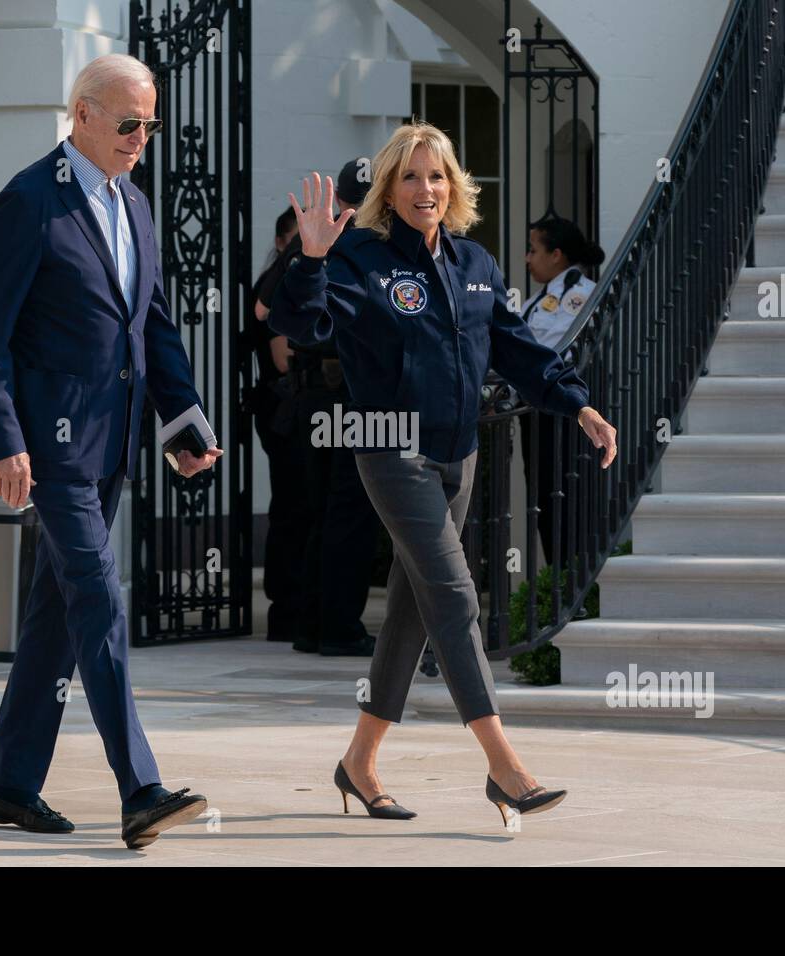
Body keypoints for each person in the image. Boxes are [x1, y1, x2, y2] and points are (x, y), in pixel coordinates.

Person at [268, 122, 618, 824]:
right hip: (389, 446)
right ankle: (505, 767)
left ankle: (359, 763)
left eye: (437, 176)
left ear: (454, 186)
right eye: (409, 177)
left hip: (458, 451)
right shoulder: (358, 258)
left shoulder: (477, 265)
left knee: (410, 610)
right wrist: (308, 259)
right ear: (388, 191)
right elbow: (300, 324)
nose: (425, 189)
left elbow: (517, 351)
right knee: (455, 597)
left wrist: (578, 405)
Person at [0, 53, 222, 851]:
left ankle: (9, 782)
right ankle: (139, 787)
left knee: (55, 617)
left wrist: (184, 421)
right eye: (128, 123)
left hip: (114, 442)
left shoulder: (134, 204)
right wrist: (3, 442)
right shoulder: (28, 202)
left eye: (149, 124)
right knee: (99, 597)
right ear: (81, 114)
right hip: (54, 450)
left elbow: (151, 326)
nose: (142, 138)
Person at [259, 157, 381, 657]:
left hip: (310, 399)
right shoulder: (363, 245)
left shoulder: (313, 241)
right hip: (346, 398)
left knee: (317, 514)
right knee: (350, 517)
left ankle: (309, 624)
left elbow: (264, 309)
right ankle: (337, 628)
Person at [520, 216, 605, 561]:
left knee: (562, 500)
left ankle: (570, 583)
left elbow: (547, 349)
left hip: (562, 412)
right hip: (535, 410)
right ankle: (558, 582)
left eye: (533, 249)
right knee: (543, 502)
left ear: (556, 254)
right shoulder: (540, 298)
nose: (527, 258)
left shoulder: (579, 294)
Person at [246, 207, 308, 642]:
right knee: (292, 508)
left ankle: (294, 606)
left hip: (293, 414)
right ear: (284, 242)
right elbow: (283, 357)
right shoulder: (277, 285)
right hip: (285, 414)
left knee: (299, 509)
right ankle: (286, 609)